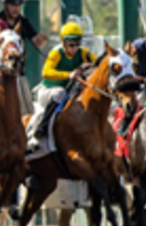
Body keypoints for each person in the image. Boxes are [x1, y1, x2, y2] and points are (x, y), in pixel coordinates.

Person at [26, 22, 97, 153]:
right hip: (49, 91)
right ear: (62, 41)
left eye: (78, 43)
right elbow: (46, 72)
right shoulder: (56, 53)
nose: (75, 48)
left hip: (69, 90)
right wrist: (68, 74)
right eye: (71, 44)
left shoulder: (83, 52)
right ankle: (41, 127)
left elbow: (98, 63)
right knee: (59, 92)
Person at [0, 0, 49, 114]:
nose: (16, 9)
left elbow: (35, 42)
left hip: (17, 72)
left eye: (18, 5)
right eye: (12, 5)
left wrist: (41, 40)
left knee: (27, 108)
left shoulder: (23, 22)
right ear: (5, 5)